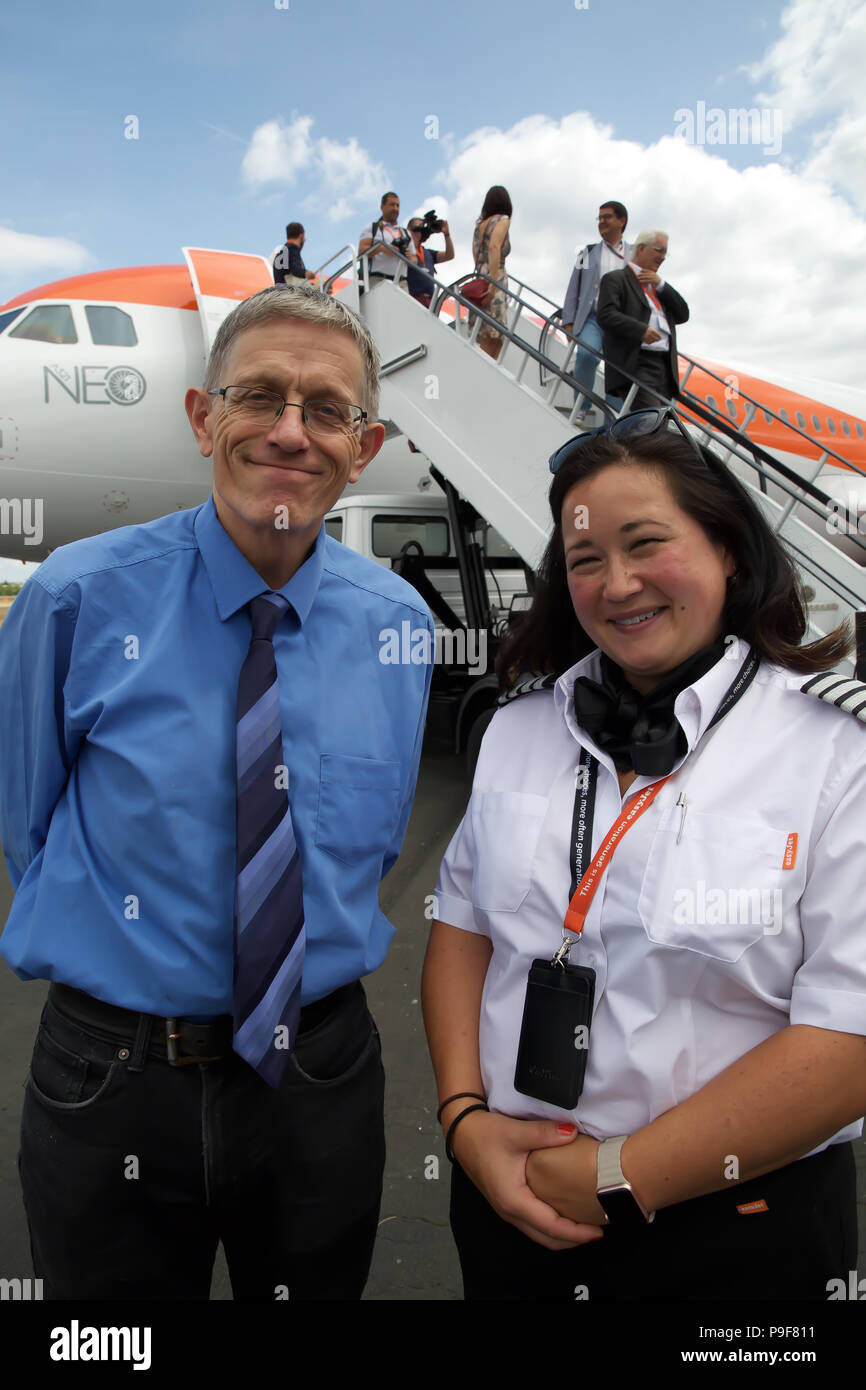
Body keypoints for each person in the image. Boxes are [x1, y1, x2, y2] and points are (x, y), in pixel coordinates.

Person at [0, 285, 434, 1301]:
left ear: (361, 446)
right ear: (203, 417)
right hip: (110, 1077)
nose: (290, 431)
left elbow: (373, 841)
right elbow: (28, 823)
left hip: (317, 1075)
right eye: (258, 396)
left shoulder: (396, 625)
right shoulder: (74, 596)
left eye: (325, 408)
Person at [422, 408, 866, 1301]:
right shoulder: (518, 729)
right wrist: (465, 1122)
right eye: (586, 560)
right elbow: (462, 931)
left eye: (645, 543)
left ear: (728, 548)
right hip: (516, 1203)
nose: (617, 583)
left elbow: (848, 1032)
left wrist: (617, 1174)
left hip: (739, 1228)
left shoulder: (835, 751)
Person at [596, 230, 689, 410]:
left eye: (665, 253)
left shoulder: (658, 288)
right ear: (641, 249)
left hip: (663, 366)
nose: (663, 257)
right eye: (659, 251)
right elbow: (606, 314)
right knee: (650, 421)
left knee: (659, 424)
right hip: (637, 362)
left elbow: (683, 314)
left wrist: (661, 285)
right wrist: (640, 330)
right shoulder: (616, 279)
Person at [561, 201, 631, 419]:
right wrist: (568, 320)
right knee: (586, 355)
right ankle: (581, 407)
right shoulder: (586, 252)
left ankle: (613, 421)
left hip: (620, 323)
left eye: (606, 217)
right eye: (599, 218)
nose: (601, 222)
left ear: (621, 221)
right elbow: (573, 287)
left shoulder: (635, 255)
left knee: (617, 373)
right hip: (593, 318)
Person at [471, 186, 512, 361]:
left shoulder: (479, 226)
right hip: (495, 276)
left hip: (481, 274)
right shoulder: (503, 220)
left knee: (487, 333)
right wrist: (493, 285)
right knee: (495, 334)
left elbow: (476, 254)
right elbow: (495, 247)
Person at [358, 191, 417, 284]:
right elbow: (361, 251)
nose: (395, 208)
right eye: (392, 205)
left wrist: (408, 257)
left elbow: (415, 260)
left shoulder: (405, 233)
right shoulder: (373, 227)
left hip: (401, 282)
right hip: (378, 279)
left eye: (397, 205)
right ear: (382, 207)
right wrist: (382, 248)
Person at [406, 215, 455, 307]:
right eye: (419, 227)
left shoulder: (428, 253)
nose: (422, 230)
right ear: (409, 229)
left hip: (430, 300)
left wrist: (446, 235)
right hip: (412, 298)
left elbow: (450, 255)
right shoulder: (405, 250)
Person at [272, 222, 317, 286]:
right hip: (290, 290)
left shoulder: (283, 251)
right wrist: (306, 273)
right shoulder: (292, 248)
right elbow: (295, 269)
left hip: (281, 290)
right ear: (302, 235)